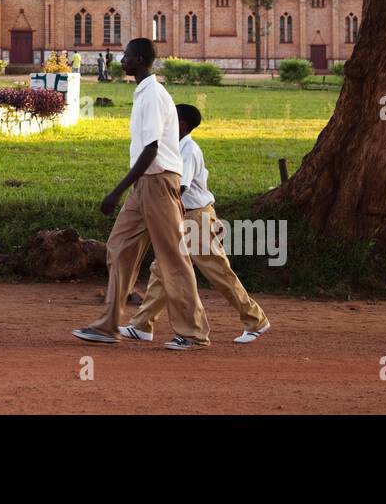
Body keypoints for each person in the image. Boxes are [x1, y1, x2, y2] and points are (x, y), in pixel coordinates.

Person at [71, 38, 210, 350]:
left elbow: (151, 149)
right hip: (145, 184)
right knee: (119, 247)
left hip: (158, 182)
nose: (121, 60)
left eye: (126, 55)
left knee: (172, 256)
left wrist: (116, 192)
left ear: (140, 59)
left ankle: (194, 332)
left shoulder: (151, 95)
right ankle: (108, 325)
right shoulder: (145, 92)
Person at [121, 104, 270, 344]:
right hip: (183, 216)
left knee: (216, 270)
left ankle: (256, 320)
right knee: (162, 271)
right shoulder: (175, 146)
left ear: (181, 125)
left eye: (169, 118)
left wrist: (157, 209)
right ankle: (141, 324)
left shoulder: (188, 149)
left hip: (195, 218)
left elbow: (180, 187)